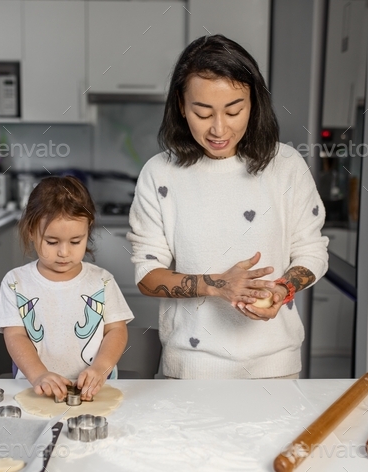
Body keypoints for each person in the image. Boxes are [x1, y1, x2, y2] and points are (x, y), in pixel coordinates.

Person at [127, 35, 329, 380]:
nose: (219, 128)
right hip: (189, 371)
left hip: (275, 369)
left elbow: (313, 252)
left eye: (234, 111)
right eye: (202, 112)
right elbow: (147, 277)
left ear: (254, 103)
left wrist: (283, 289)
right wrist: (216, 285)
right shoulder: (159, 173)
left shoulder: (287, 166)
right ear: (180, 104)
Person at [0, 176, 133, 400]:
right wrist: (39, 375)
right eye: (52, 242)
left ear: (88, 231)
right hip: (34, 391)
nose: (64, 252)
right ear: (31, 231)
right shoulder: (15, 282)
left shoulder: (102, 281)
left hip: (94, 391)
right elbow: (15, 335)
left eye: (76, 241)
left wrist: (101, 368)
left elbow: (116, 330)